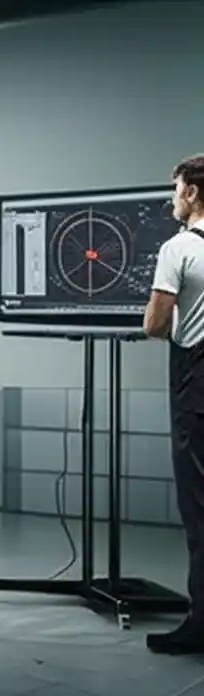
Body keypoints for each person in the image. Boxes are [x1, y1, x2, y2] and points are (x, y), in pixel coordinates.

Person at [143, 154, 204, 654]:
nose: (172, 199)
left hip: (196, 387)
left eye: (176, 189)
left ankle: (201, 625)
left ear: (192, 193)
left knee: (200, 509)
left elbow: (155, 325)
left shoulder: (178, 248)